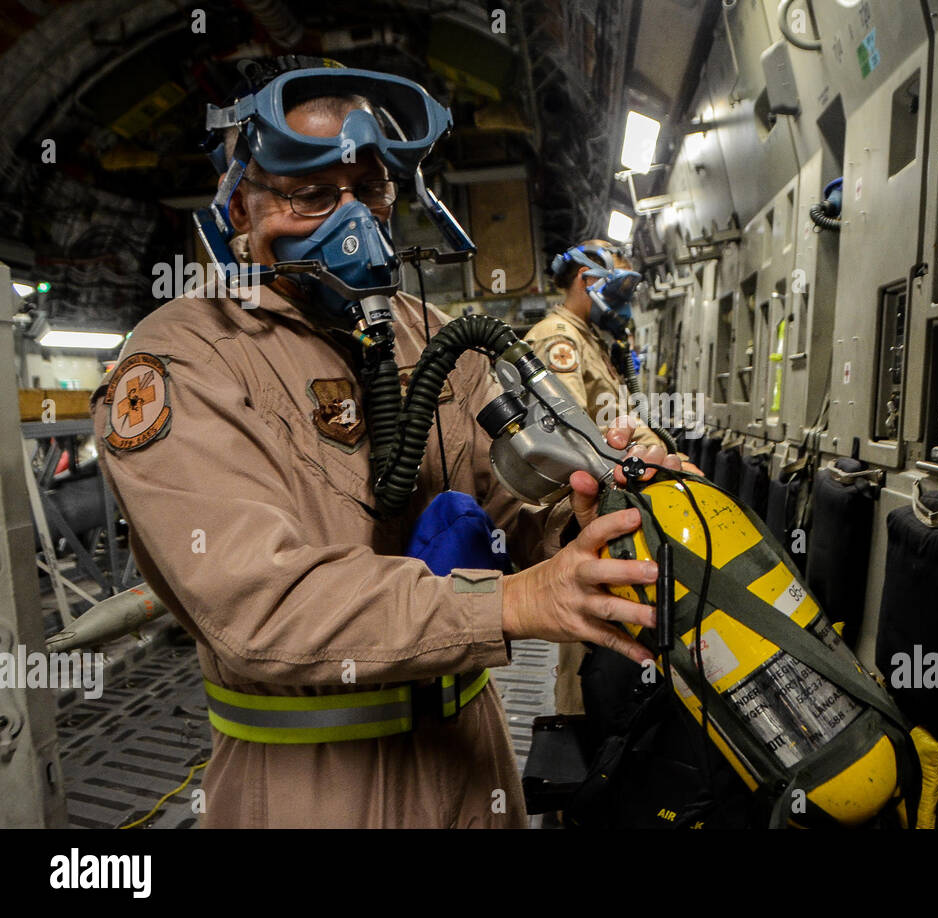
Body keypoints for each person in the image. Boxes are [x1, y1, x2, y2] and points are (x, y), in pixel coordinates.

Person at [91, 58, 675, 828]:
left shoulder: (428, 334)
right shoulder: (180, 361)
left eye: (368, 191)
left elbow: (516, 504)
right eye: (310, 196)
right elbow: (263, 608)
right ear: (238, 205)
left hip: (468, 754)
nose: (352, 222)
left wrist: (604, 499)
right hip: (313, 776)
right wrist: (505, 603)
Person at [525, 240, 667, 715]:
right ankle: (580, 738)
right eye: (620, 288)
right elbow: (573, 437)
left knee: (614, 637)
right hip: (587, 510)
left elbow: (620, 416)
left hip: (615, 507)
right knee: (590, 643)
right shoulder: (557, 339)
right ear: (586, 281)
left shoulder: (590, 340)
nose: (625, 303)